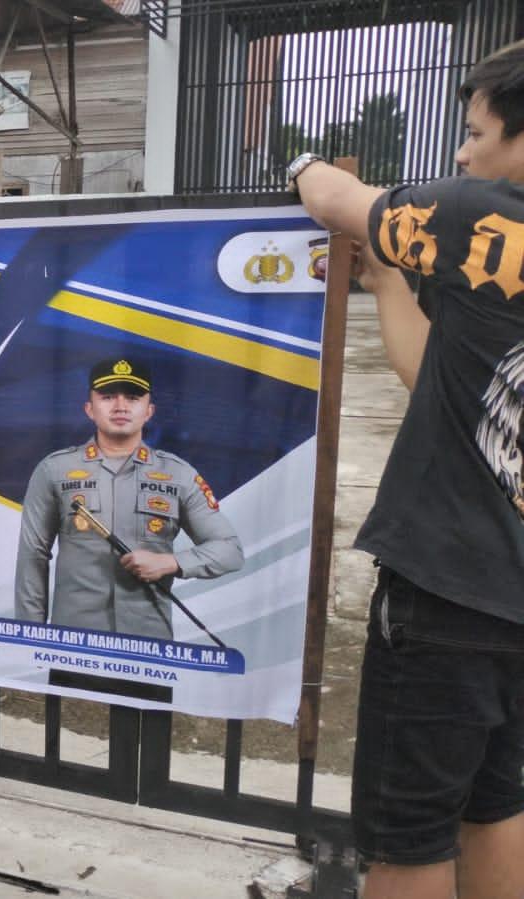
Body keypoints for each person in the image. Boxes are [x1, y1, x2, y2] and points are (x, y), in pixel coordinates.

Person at [289, 39, 524, 899]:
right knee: (494, 804)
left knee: (409, 839)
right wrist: (390, 280)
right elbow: (443, 379)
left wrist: (304, 160)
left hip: (448, 588)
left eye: (474, 132)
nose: (462, 154)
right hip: (513, 601)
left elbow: (332, 197)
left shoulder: (481, 214)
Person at [14, 357, 244, 641]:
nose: (121, 406)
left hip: (149, 647)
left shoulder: (178, 475)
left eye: (133, 398)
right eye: (108, 397)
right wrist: (29, 633)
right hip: (74, 645)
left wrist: (171, 563)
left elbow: (230, 551)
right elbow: (33, 555)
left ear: (149, 411)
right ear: (90, 409)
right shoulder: (54, 470)